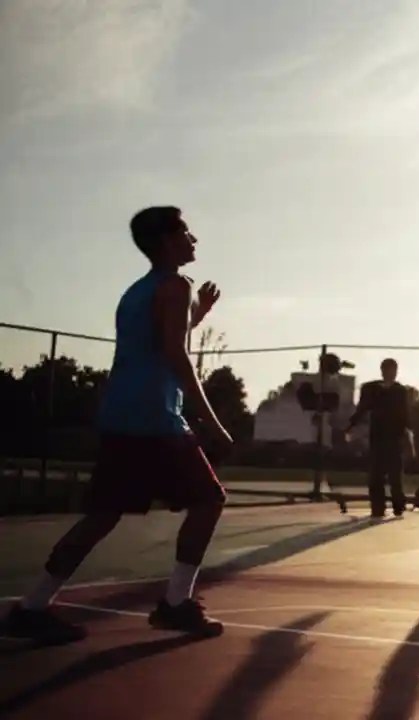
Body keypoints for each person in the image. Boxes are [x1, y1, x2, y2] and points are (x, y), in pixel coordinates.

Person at [4, 207, 230, 644]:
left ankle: (32, 607)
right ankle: (176, 604)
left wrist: (197, 314)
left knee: (102, 516)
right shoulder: (176, 286)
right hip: (156, 419)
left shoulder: (137, 292)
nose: (193, 238)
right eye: (185, 231)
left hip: (122, 413)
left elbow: (161, 338)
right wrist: (210, 420)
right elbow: (175, 354)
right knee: (208, 500)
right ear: (167, 240)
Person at [346, 358, 413, 518]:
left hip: (394, 437)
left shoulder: (400, 391)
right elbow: (362, 409)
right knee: (377, 474)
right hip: (378, 436)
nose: (391, 374)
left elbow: (405, 416)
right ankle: (378, 507)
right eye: (388, 371)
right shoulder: (373, 390)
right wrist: (351, 425)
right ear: (383, 371)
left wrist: (409, 436)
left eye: (393, 371)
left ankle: (397, 504)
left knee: (394, 474)